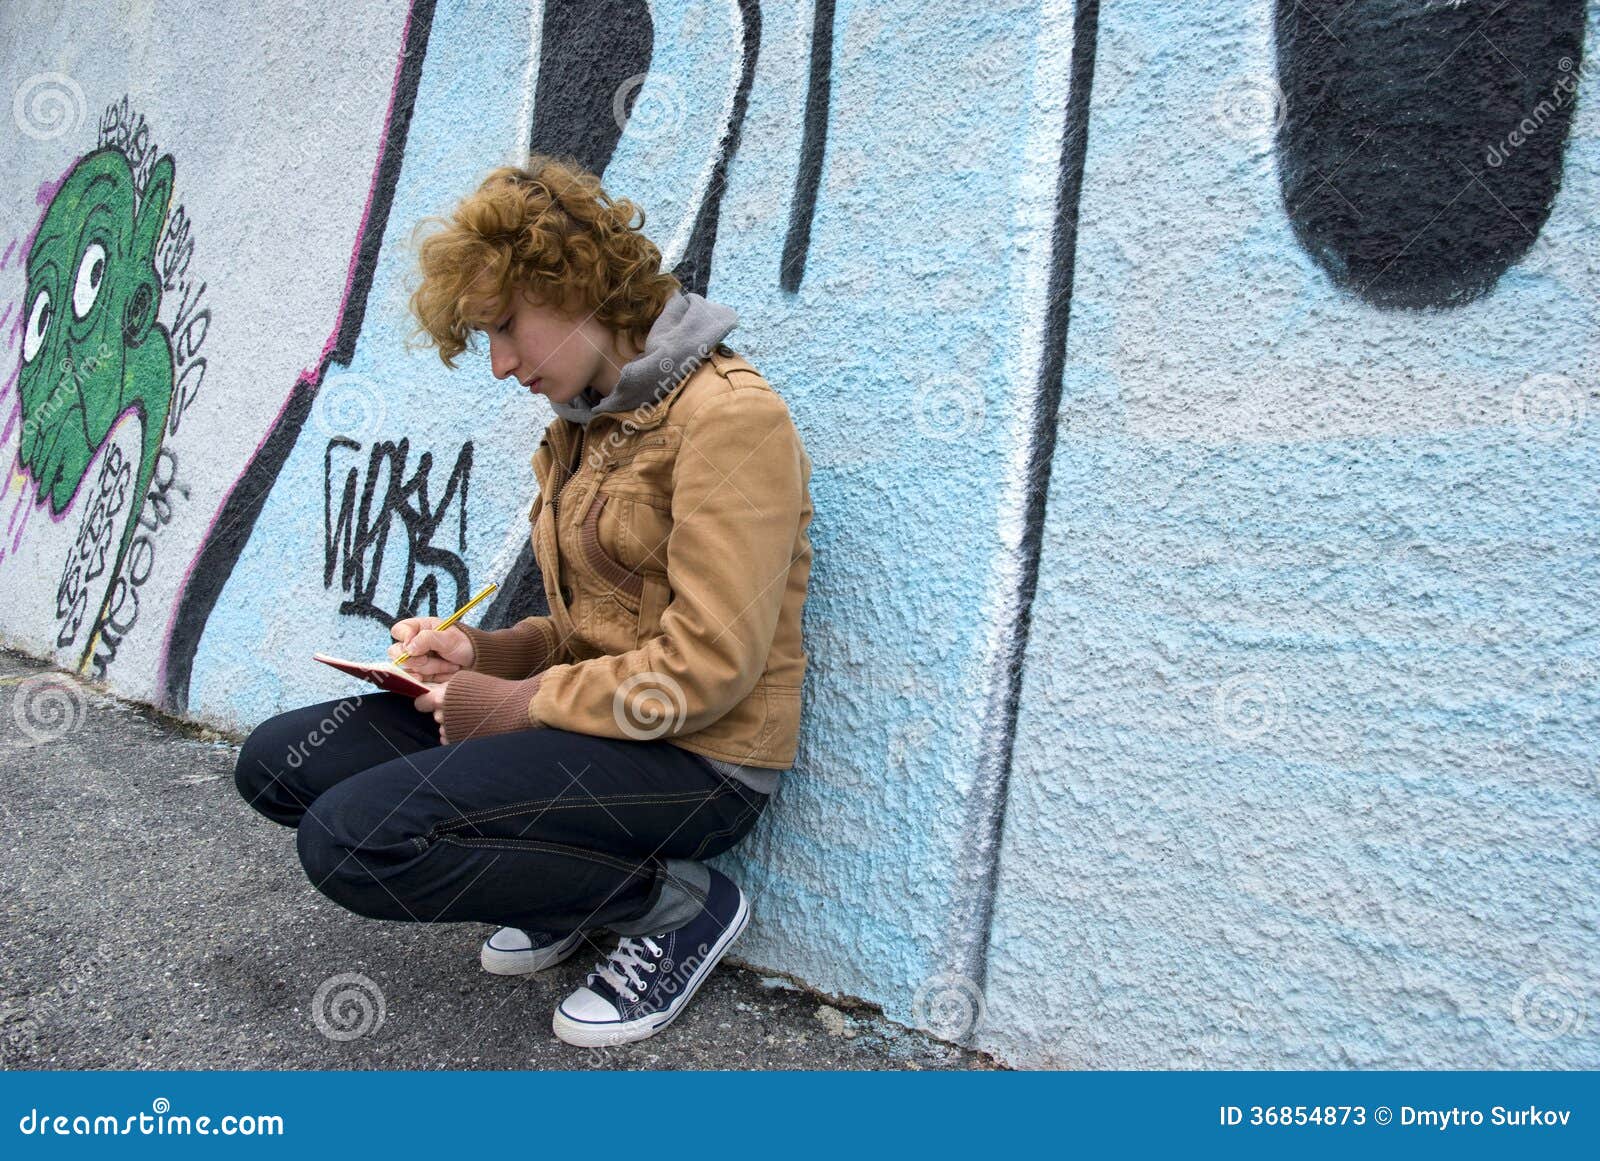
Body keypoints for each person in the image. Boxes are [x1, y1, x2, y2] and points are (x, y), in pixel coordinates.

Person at [233, 154, 814, 1049]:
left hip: (698, 763)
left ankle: (673, 907)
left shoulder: (730, 419)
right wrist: (482, 657)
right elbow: (587, 633)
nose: (500, 365)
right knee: (277, 763)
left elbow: (706, 667)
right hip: (588, 727)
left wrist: (512, 706)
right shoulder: (584, 426)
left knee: (353, 841)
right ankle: (553, 881)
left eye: (506, 328)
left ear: (574, 282)